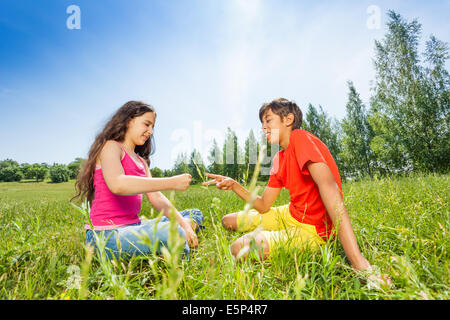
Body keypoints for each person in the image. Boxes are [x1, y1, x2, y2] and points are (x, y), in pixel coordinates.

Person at [203, 98, 391, 287]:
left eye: (268, 120)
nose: (263, 127)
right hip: (291, 213)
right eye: (262, 123)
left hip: (313, 229)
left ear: (288, 119)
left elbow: (331, 190)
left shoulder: (300, 138)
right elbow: (263, 205)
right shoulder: (279, 158)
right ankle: (276, 232)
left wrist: (360, 264)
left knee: (239, 248)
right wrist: (235, 185)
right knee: (227, 220)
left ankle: (277, 237)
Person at [72, 100, 203, 260]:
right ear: (128, 120)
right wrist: (171, 182)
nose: (150, 131)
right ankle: (178, 248)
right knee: (174, 231)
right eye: (146, 124)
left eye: (152, 127)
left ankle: (179, 234)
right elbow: (118, 184)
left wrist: (184, 224)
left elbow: (156, 197)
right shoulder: (111, 147)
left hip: (134, 226)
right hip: (106, 235)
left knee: (193, 214)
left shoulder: (141, 162)